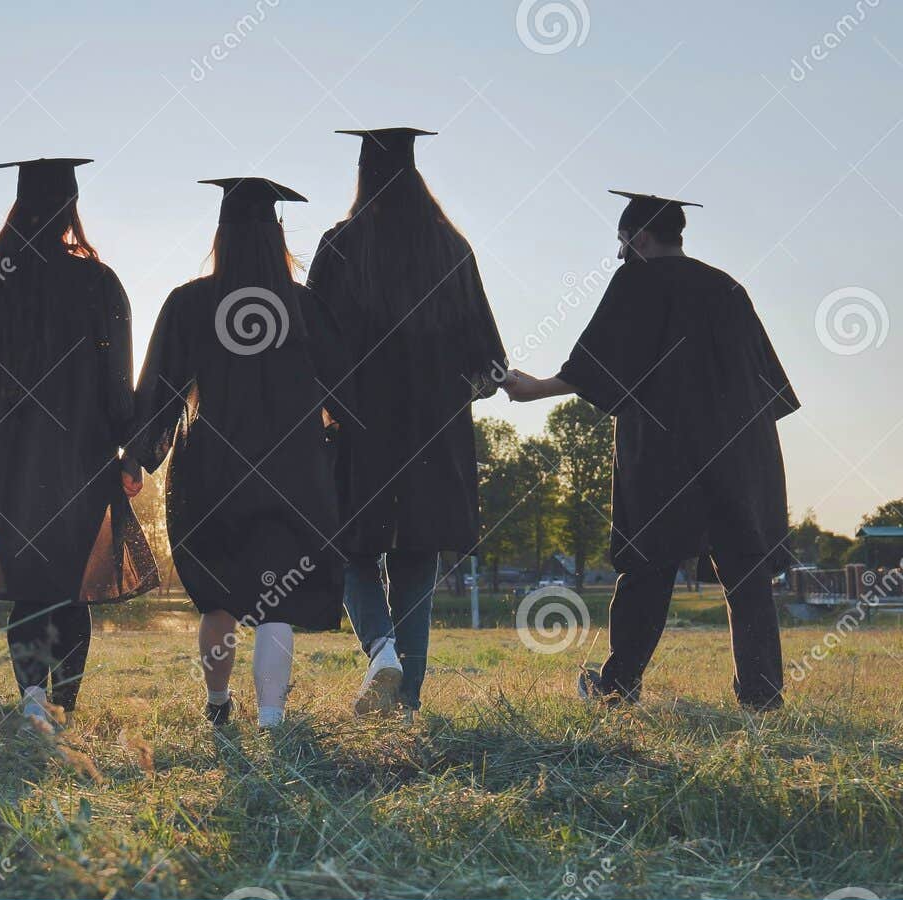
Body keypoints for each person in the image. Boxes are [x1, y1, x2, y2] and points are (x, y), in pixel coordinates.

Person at [502, 191, 798, 711]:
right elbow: (768, 387)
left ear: (639, 237)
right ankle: (762, 694)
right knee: (746, 571)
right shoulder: (729, 288)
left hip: (667, 451)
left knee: (647, 564)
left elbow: (602, 360)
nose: (619, 255)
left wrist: (536, 388)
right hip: (741, 451)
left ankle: (618, 686)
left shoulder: (638, 278)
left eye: (621, 243)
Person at [0, 158, 158, 730]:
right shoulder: (99, 283)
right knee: (67, 585)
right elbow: (118, 380)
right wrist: (130, 448)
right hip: (78, 454)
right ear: (72, 208)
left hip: (0, 459)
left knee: (29, 582)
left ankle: (33, 697)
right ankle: (62, 704)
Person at [130, 177, 343, 728]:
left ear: (220, 238)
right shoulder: (304, 307)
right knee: (278, 600)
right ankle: (271, 715)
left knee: (217, 598)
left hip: (211, 472)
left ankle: (219, 704)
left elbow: (161, 389)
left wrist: (135, 458)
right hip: (291, 472)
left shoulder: (189, 302)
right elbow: (347, 390)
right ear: (277, 238)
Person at [307, 128, 506, 717]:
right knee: (417, 554)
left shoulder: (341, 244)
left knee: (347, 547)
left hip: (357, 423)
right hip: (434, 427)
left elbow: (312, 343)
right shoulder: (451, 248)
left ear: (363, 176)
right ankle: (409, 702)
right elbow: (489, 362)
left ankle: (383, 651)